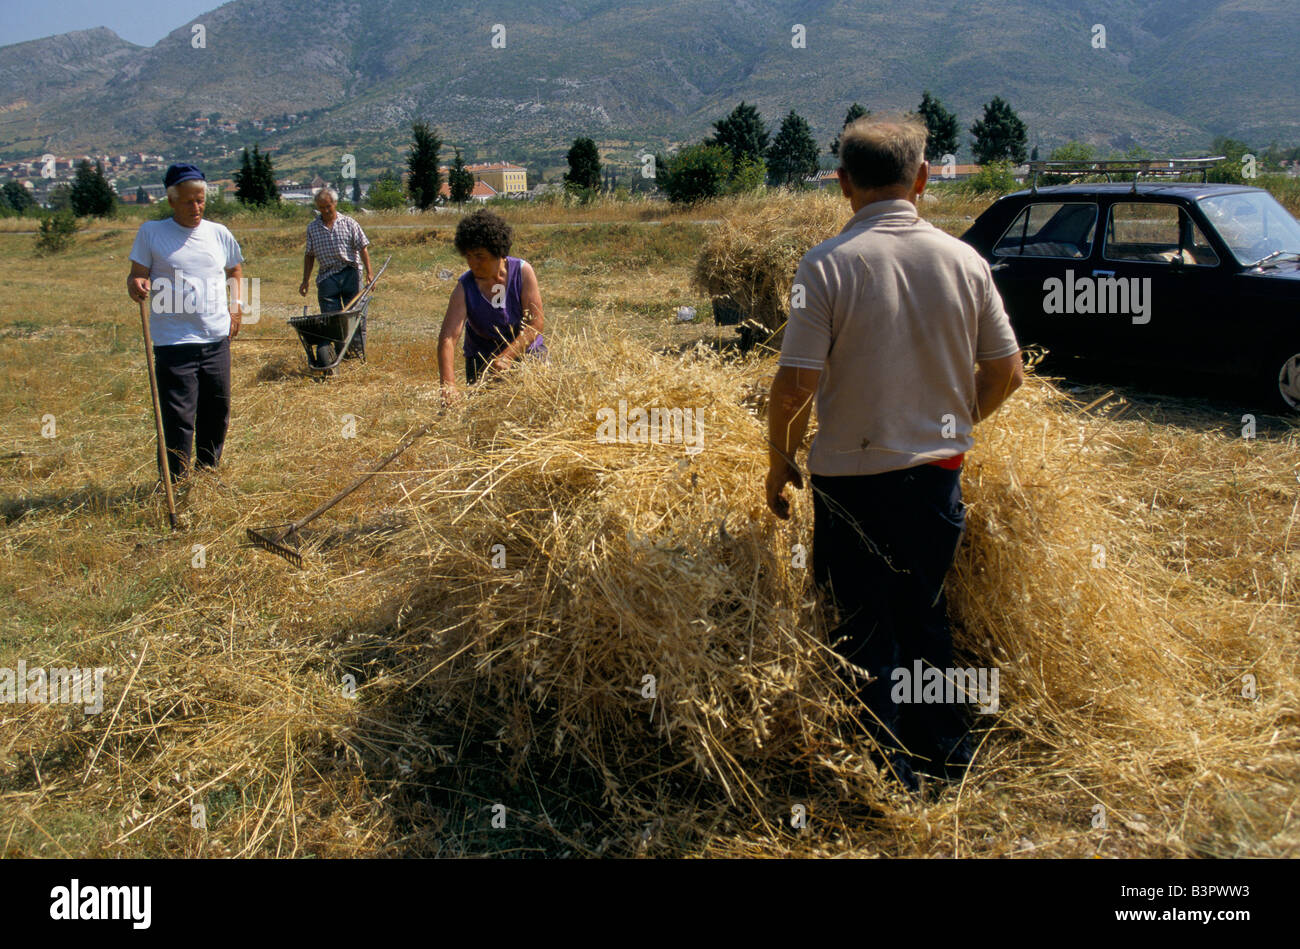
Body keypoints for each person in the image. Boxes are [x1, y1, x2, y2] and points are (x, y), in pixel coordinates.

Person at [764, 114, 1024, 792]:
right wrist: (957, 420)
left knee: (863, 624)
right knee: (925, 612)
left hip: (852, 483)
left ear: (844, 184)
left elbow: (795, 385)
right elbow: (1007, 371)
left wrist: (779, 461)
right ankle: (947, 751)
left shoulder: (825, 266)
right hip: (937, 477)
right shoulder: (965, 261)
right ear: (924, 178)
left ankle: (886, 770)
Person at [126, 163, 245, 482]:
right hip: (174, 343)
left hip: (214, 339)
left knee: (216, 411)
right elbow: (137, 275)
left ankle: (208, 473)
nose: (197, 207)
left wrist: (236, 309)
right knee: (179, 418)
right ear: (172, 201)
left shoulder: (218, 233)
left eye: (201, 199)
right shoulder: (152, 232)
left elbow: (234, 270)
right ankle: (175, 479)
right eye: (189, 200)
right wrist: (137, 284)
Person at [437, 209, 545, 400]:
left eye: (480, 256)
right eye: (468, 256)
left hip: (526, 353)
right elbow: (448, 338)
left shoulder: (523, 272)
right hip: (482, 360)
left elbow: (535, 324)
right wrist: (448, 386)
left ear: (498, 252)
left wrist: (508, 356)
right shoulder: (464, 288)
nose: (473, 263)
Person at [299, 187, 372, 365]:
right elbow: (309, 255)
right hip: (327, 277)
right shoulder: (313, 228)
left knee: (354, 317)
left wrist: (369, 273)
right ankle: (335, 354)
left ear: (335, 204)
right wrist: (305, 280)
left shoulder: (349, 223)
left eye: (328, 207)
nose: (325, 211)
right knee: (331, 320)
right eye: (321, 207)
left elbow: (363, 248)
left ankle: (354, 356)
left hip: (350, 273)